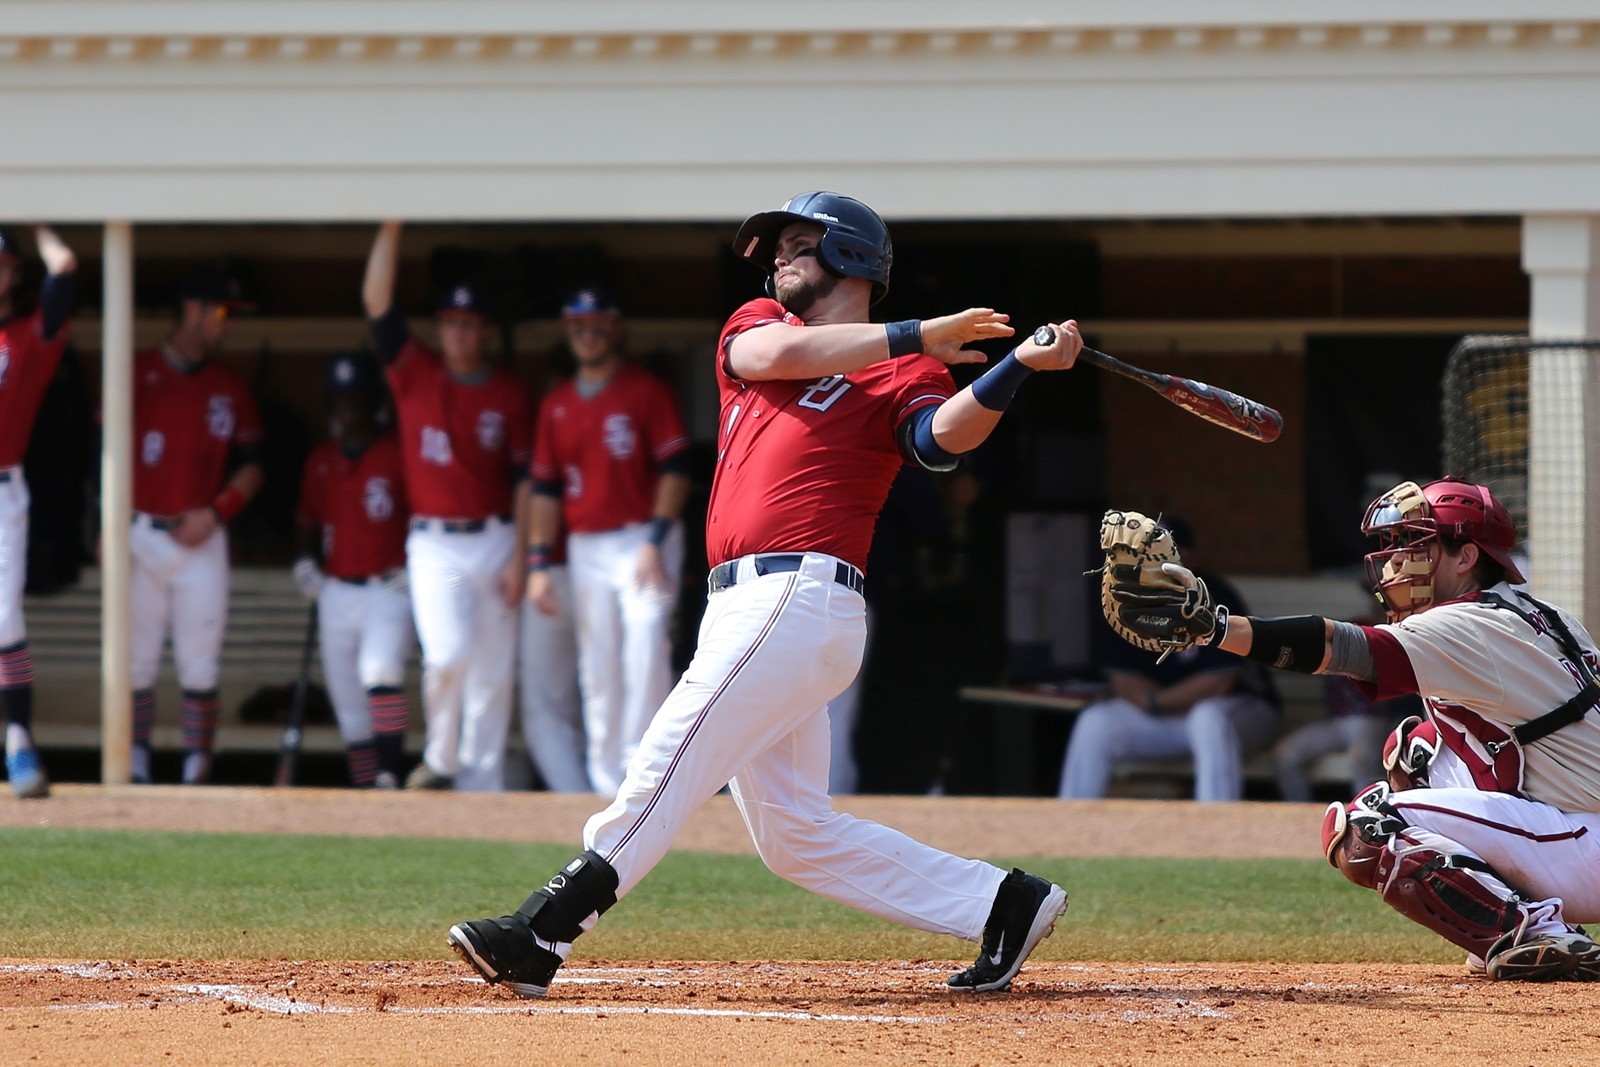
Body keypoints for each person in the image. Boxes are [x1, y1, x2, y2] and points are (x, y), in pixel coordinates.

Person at [446, 190, 1082, 999]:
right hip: (748, 604)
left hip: (800, 592)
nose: (776, 256)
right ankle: (1002, 902)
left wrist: (1013, 368)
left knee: (670, 751)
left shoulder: (908, 370)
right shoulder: (757, 324)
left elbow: (937, 439)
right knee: (793, 835)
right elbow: (774, 361)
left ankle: (544, 928)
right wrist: (925, 331)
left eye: (796, 243)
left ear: (850, 254)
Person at [1109, 478, 1600, 981]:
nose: (1393, 560)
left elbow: (1343, 647)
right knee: (1415, 749)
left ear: (1466, 556)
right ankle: (1537, 921)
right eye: (1391, 545)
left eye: (1415, 543)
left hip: (1586, 845)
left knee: (1368, 823)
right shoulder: (1541, 614)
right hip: (1579, 828)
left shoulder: (1471, 621)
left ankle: (1535, 932)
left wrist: (1212, 628)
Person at [363, 221, 533, 792]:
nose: (459, 333)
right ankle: (440, 759)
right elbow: (377, 305)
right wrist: (390, 224)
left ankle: (479, 784)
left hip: (495, 534)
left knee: (492, 671)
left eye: (469, 324)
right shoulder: (416, 373)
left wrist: (520, 558)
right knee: (447, 657)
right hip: (433, 540)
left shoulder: (507, 392)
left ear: (484, 331)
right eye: (451, 323)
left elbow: (525, 481)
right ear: (441, 327)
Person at [526, 287, 692, 794]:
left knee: (645, 640)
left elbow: (678, 467)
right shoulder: (556, 404)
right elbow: (546, 489)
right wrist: (537, 562)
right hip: (587, 545)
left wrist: (655, 539)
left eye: (597, 324)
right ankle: (605, 780)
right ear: (567, 330)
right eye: (578, 325)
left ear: (615, 329)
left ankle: (645, 763)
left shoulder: (645, 390)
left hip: (645, 535)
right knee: (597, 660)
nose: (588, 333)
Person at [126, 269, 264, 785]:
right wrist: (102, 523)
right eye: (221, 313)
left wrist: (217, 510)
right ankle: (134, 763)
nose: (225, 326)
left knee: (200, 664)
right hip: (141, 530)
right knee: (136, 661)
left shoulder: (228, 385)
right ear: (192, 311)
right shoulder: (138, 371)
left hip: (203, 535)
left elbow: (254, 464)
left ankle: (196, 768)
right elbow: (103, 453)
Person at [1058, 517, 1279, 802]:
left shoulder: (1214, 596)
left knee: (1208, 718)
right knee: (1096, 722)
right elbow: (1124, 680)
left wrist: (1156, 702)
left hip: (1242, 712)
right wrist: (1153, 703)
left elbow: (1218, 682)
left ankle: (1217, 829)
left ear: (1191, 557)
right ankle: (1069, 825)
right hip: (1168, 717)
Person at [292, 352, 414, 788]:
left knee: (380, 672)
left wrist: (415, 570)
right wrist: (306, 565)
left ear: (374, 403)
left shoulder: (395, 454)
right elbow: (306, 522)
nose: (349, 409)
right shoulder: (321, 460)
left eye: (358, 400)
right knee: (348, 703)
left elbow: (422, 519)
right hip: (336, 589)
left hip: (387, 585)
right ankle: (365, 792)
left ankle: (387, 776)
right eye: (341, 400)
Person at [0, 225, 77, 799]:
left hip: (4, 488)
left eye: (3, 265)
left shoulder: (28, 337)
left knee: (2, 620)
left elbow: (66, 269)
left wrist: (37, 220)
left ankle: (19, 739)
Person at [1272, 671, 1417, 803]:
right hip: (1335, 721)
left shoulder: (1375, 646)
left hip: (1372, 718)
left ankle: (1368, 814)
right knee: (1285, 753)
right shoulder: (1330, 647)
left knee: (1361, 757)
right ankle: (1297, 810)